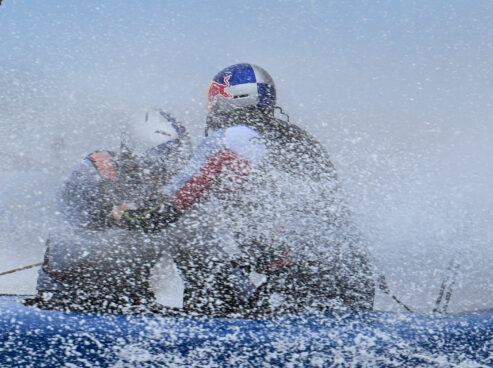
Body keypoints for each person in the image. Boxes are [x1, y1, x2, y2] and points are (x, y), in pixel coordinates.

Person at [116, 63, 375, 315]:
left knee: (190, 235)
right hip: (355, 279)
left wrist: (127, 214)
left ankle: (206, 319)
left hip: (297, 284)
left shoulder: (229, 139)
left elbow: (167, 209)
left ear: (228, 98)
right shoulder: (303, 142)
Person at [32, 109, 192, 312]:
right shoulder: (91, 175)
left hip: (128, 294)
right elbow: (67, 247)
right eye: (158, 170)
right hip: (70, 294)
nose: (165, 178)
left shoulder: (155, 185)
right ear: (135, 157)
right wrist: (114, 217)